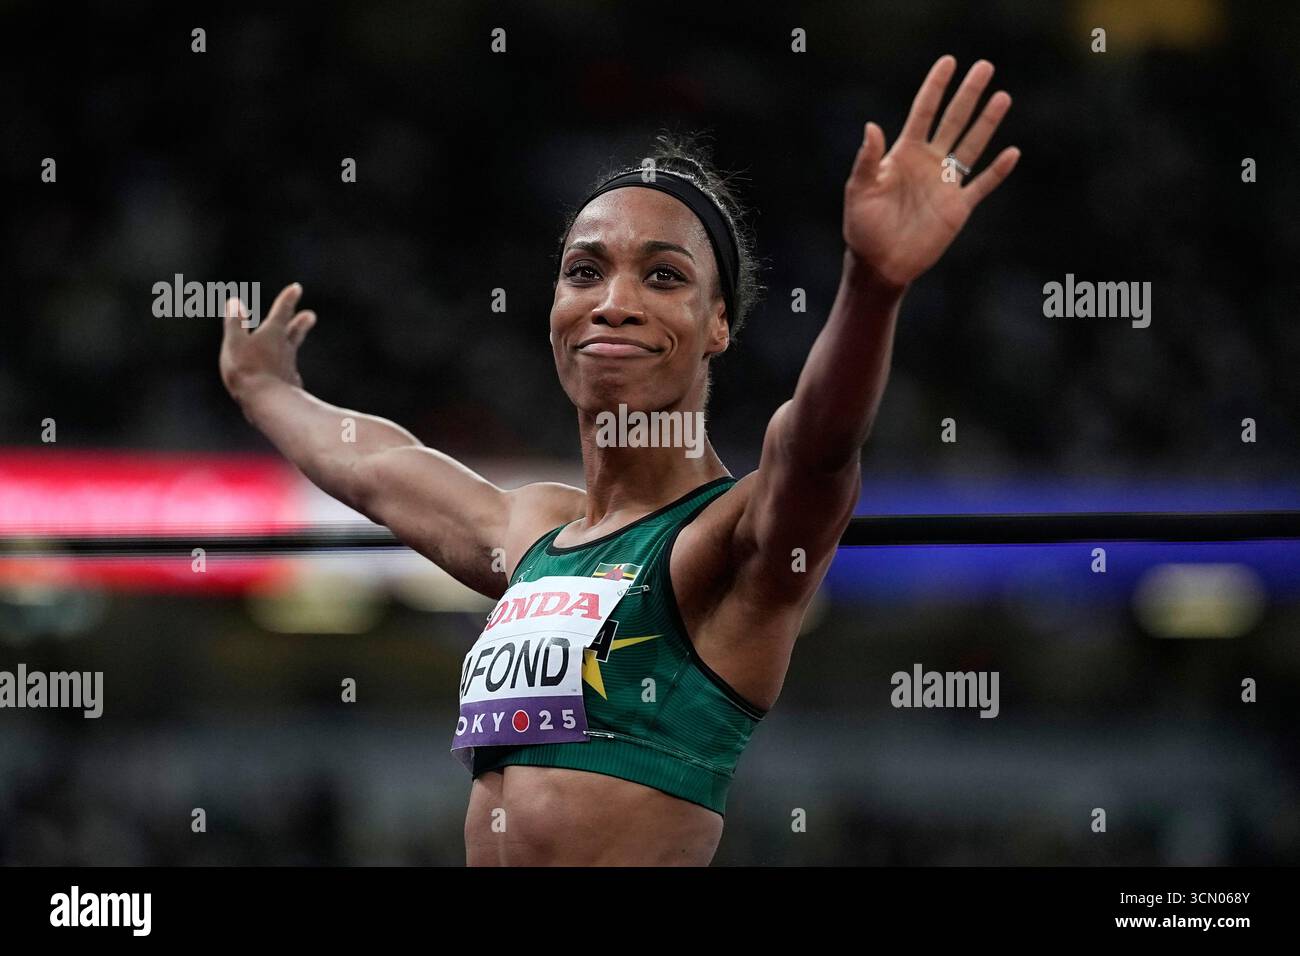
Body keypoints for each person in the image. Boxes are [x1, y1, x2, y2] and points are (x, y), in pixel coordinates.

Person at [219, 54, 1019, 865]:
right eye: (585, 271)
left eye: (663, 276)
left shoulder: (729, 540)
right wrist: (263, 390)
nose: (614, 302)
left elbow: (817, 445)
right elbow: (376, 468)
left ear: (717, 326)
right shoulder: (534, 528)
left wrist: (871, 285)